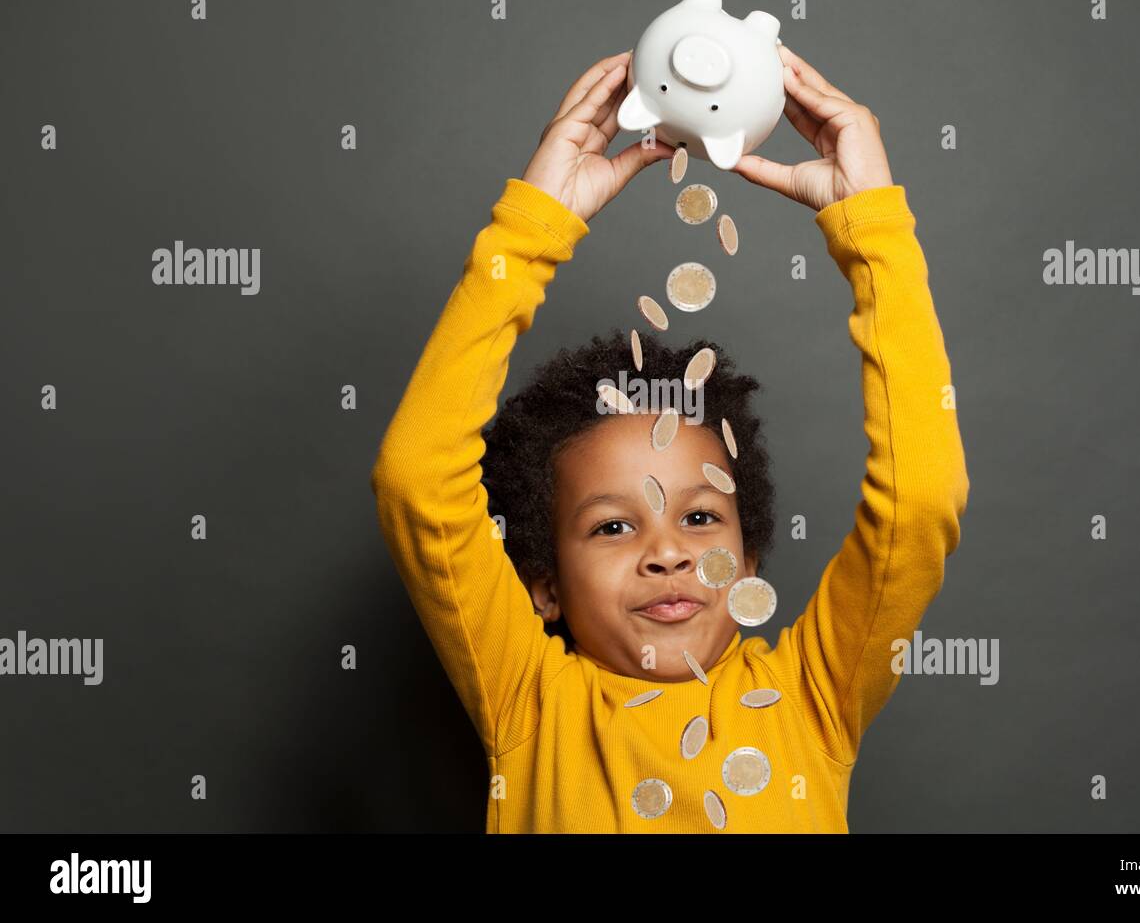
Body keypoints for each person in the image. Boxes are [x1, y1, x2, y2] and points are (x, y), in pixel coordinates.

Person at [370, 46, 970, 832]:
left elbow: (920, 501)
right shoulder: (531, 703)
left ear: (749, 561)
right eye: (613, 526)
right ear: (545, 585)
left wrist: (873, 231)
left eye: (700, 516)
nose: (669, 554)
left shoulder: (811, 698)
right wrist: (535, 227)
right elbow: (418, 477)